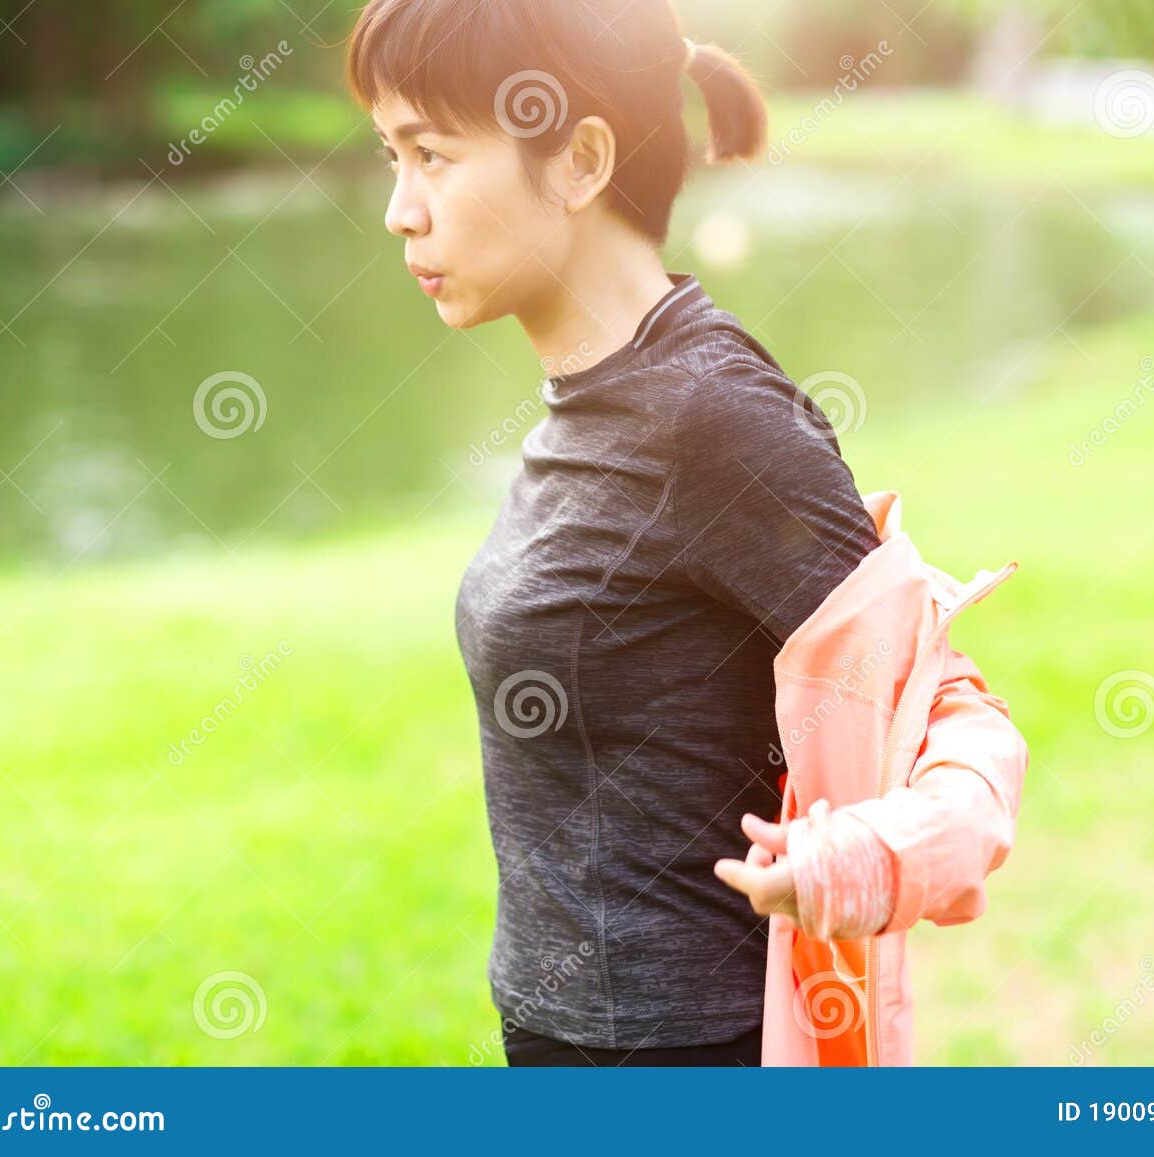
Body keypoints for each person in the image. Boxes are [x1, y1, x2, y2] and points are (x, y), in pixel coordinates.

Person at [348, 0, 895, 1066]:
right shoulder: (595, 393)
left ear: (580, 158)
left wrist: (851, 860)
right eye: (389, 155)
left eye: (433, 156)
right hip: (564, 1037)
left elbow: (926, 693)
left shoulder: (712, 415)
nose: (398, 211)